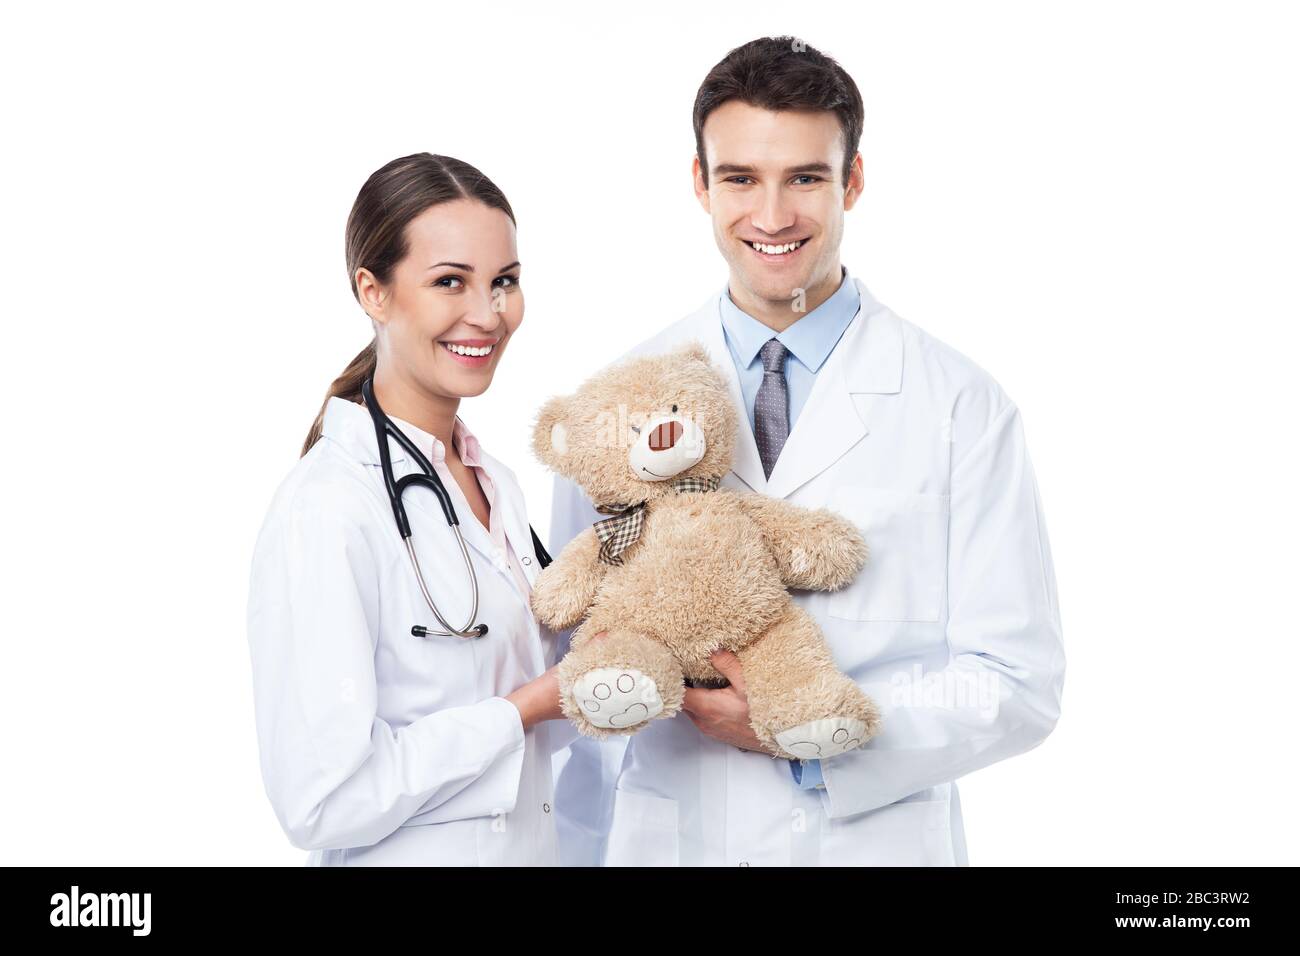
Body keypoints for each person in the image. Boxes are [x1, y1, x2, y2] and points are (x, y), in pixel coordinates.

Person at [550, 37, 1066, 866]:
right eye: (740, 178)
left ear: (853, 180)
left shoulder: (960, 406)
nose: (773, 215)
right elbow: (576, 657)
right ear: (699, 183)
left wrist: (805, 738)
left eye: (806, 178)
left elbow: (1017, 681)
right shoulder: (619, 401)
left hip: (875, 840)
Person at [246, 153, 574, 865]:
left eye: (505, 282)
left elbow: (544, 703)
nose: (488, 315)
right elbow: (322, 801)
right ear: (374, 291)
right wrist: (521, 712)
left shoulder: (497, 482)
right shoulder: (328, 508)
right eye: (449, 282)